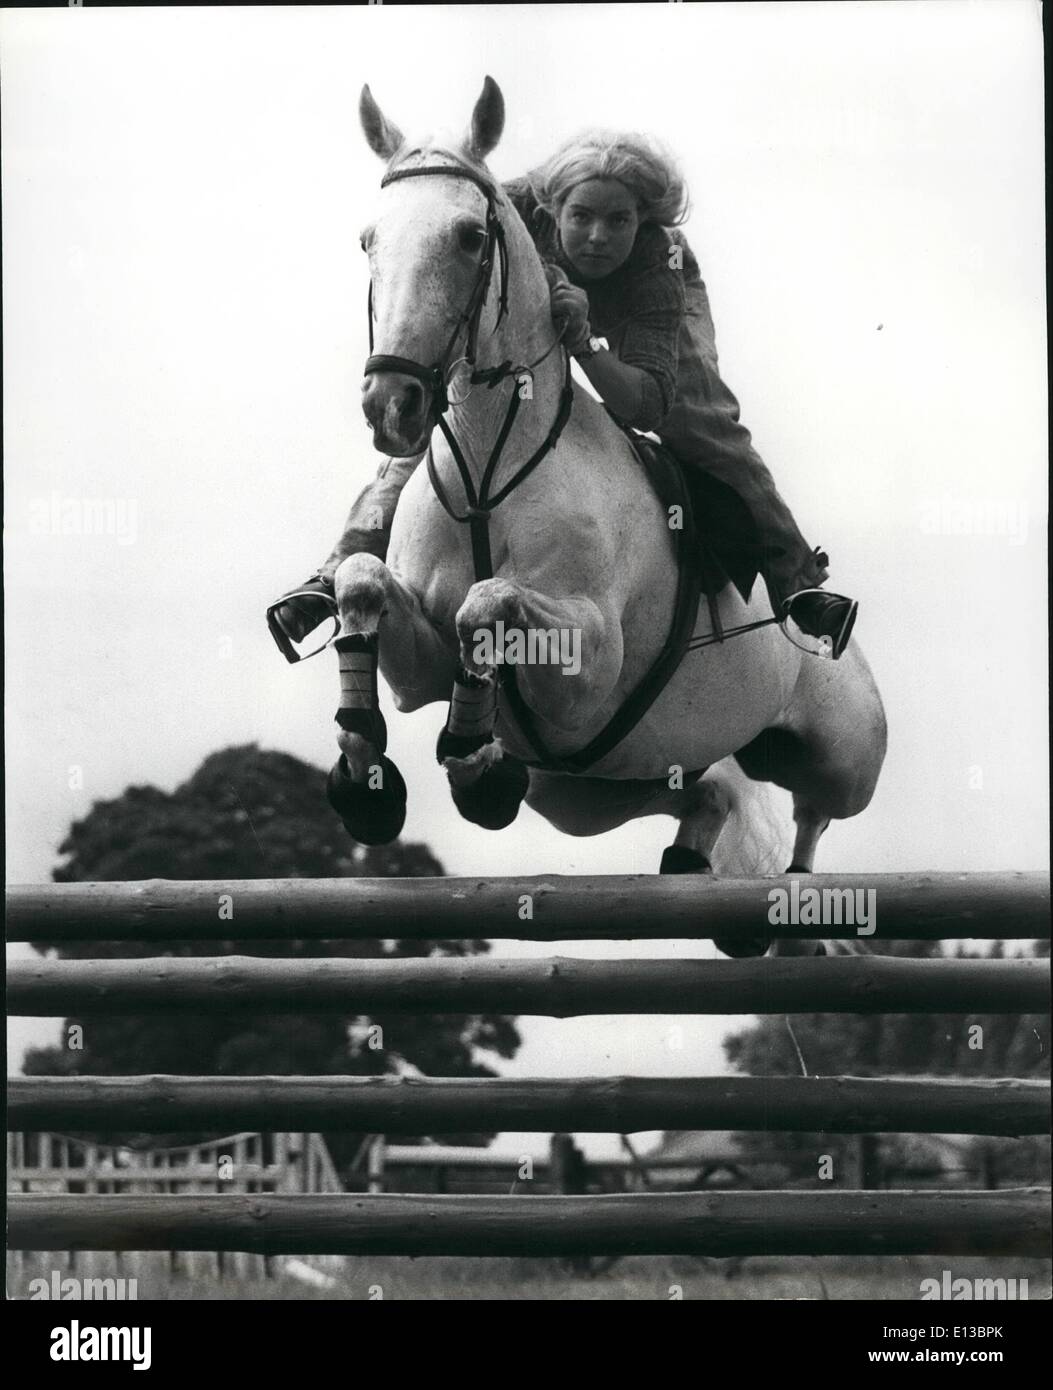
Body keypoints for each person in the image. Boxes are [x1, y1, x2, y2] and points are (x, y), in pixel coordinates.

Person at [269, 130, 857, 660]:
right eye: (581, 217)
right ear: (552, 207)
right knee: (456, 410)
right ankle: (333, 571)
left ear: (643, 223)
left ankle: (798, 583)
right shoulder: (512, 202)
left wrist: (586, 346)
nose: (598, 237)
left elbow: (645, 404)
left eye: (620, 221)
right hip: (545, 297)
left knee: (705, 426)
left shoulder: (658, 260)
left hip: (636, 314)